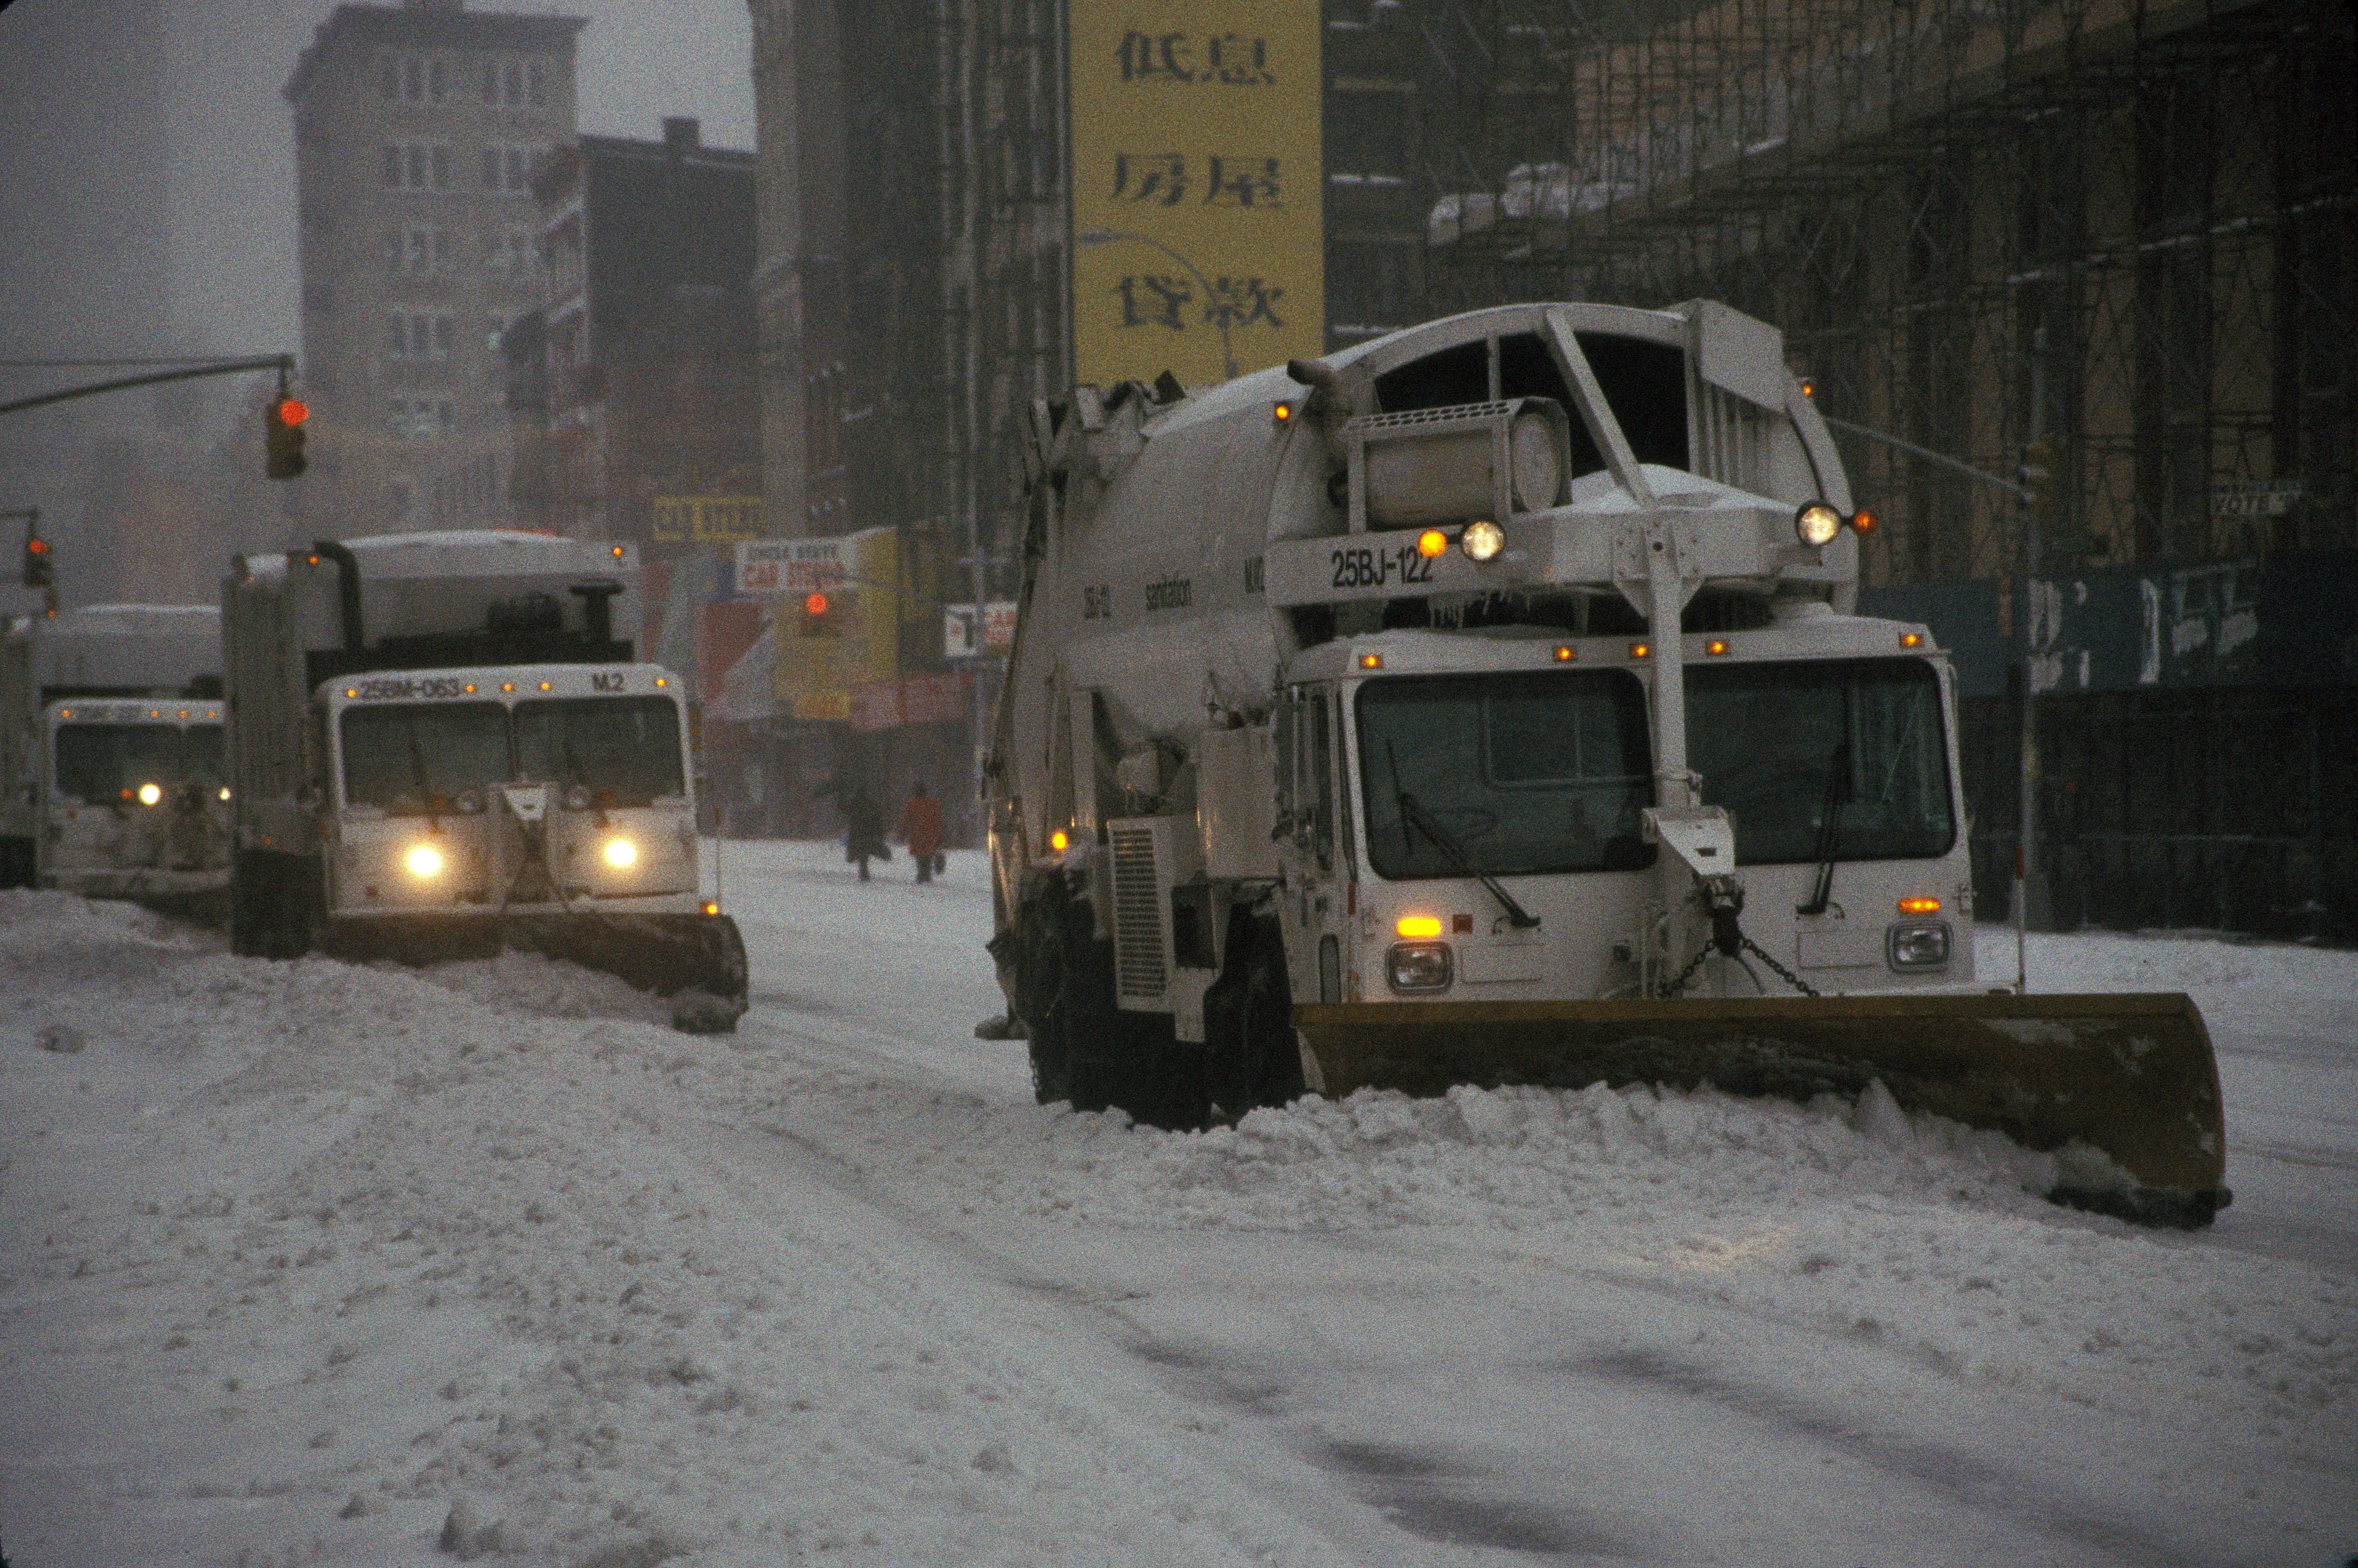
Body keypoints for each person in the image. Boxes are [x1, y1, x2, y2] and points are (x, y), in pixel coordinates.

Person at [899, 779, 943, 884]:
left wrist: (902, 832)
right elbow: (937, 820)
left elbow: (906, 820)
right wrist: (940, 834)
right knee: (928, 855)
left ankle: (921, 874)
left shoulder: (911, 804)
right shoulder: (933, 803)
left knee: (919, 855)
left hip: (917, 834)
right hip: (930, 834)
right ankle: (927, 875)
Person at [844, 786, 887, 881]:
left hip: (856, 833)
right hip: (868, 832)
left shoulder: (853, 804)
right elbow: (877, 819)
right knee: (865, 851)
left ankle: (863, 869)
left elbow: (845, 813)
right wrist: (879, 833)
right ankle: (864, 870)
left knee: (860, 852)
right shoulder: (871, 804)